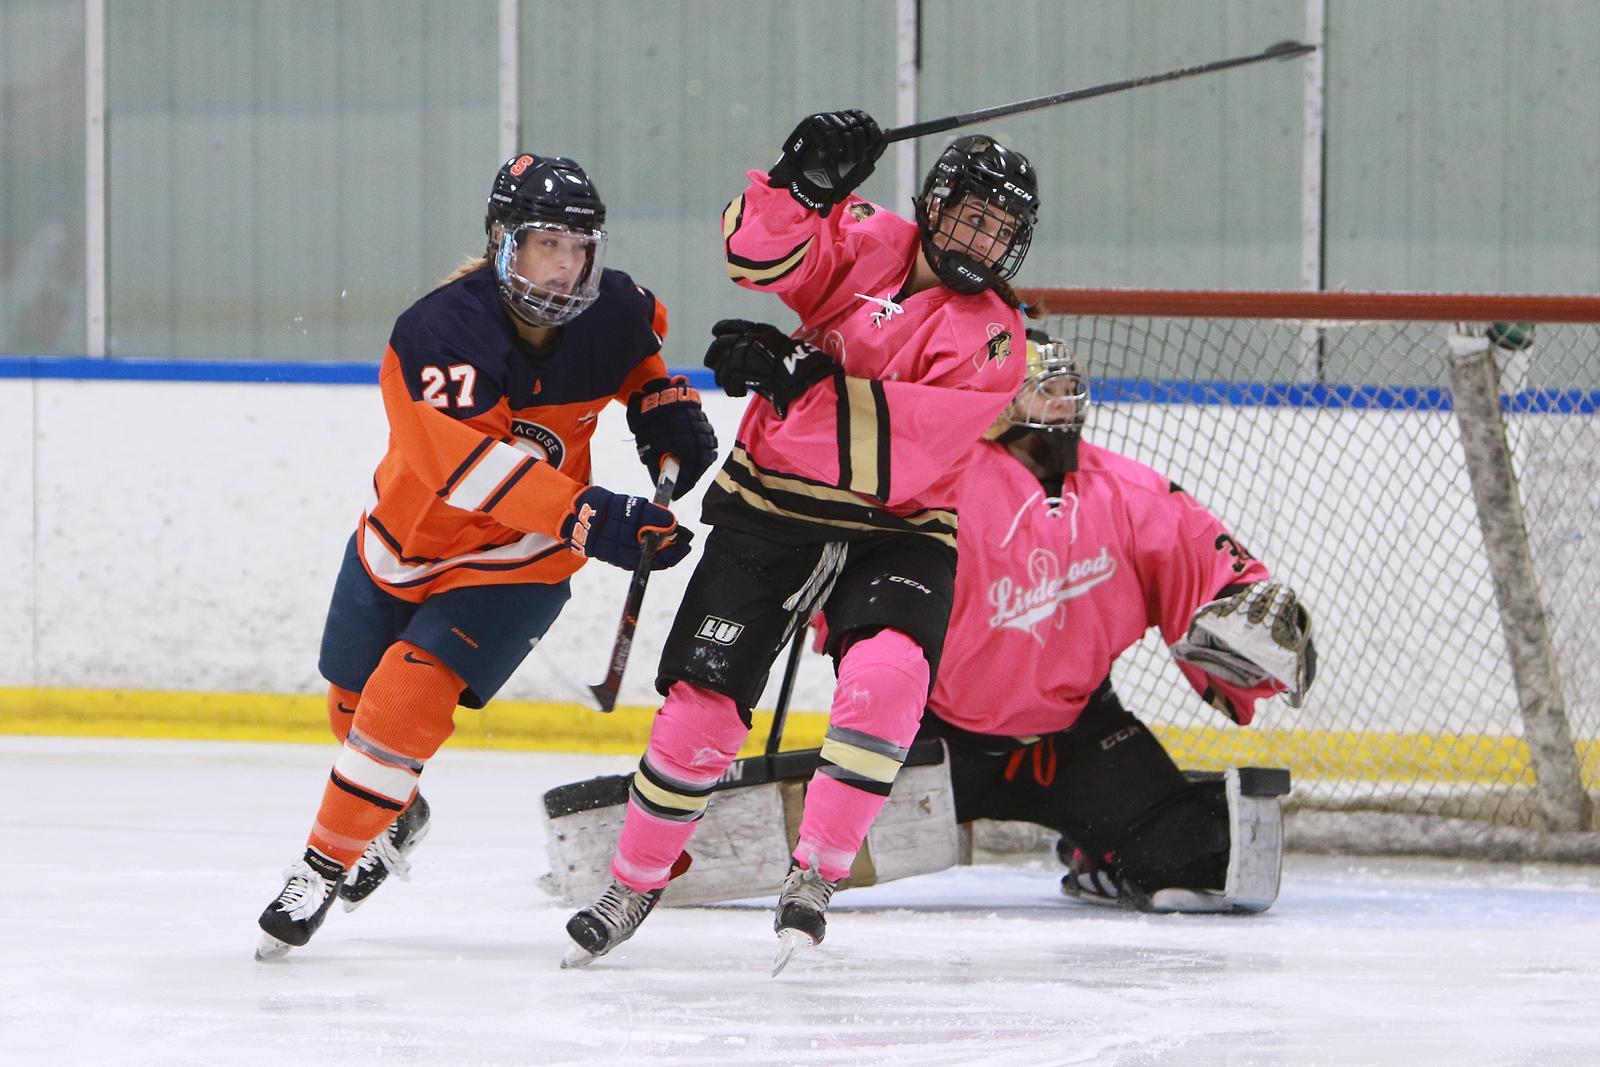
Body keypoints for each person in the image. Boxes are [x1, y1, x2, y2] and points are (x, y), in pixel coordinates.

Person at [562, 109, 1041, 973]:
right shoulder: (870, 237)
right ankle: (634, 877)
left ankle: (817, 871)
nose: (983, 237)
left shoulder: (999, 338)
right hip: (771, 507)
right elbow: (757, 256)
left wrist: (796, 377)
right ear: (936, 206)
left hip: (899, 529)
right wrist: (801, 185)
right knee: (701, 708)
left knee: (889, 679)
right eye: (973, 214)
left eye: (1001, 229)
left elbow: (900, 454)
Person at [254, 152, 718, 961]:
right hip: (405, 541)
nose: (569, 266)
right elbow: (464, 468)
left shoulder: (611, 307)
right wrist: (591, 514)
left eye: (582, 247)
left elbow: (639, 351)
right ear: (503, 240)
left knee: (405, 698)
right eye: (549, 244)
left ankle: (321, 864)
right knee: (350, 702)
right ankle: (397, 809)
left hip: (521, 560)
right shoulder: (439, 331)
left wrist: (659, 402)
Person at [915, 331, 1317, 912]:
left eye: (1069, 389)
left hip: (1078, 739)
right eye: (1043, 390)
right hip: (932, 734)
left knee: (1208, 863)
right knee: (801, 849)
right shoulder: (937, 483)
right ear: (999, 397)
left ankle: (1094, 853)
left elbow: (1209, 570)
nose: (1062, 404)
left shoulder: (1128, 491)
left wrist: (1246, 611)